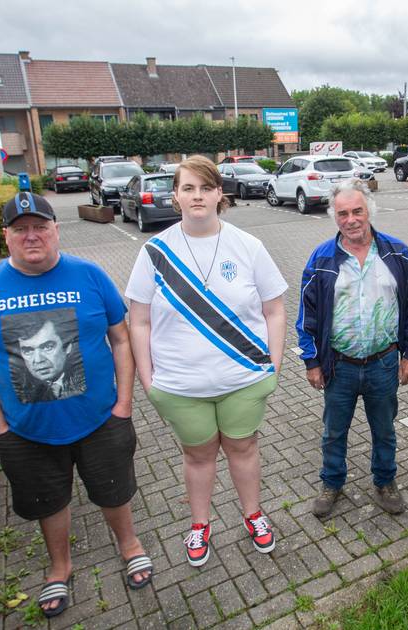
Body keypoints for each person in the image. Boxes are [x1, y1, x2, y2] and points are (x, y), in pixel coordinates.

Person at [0, 191, 152, 619]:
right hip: (25, 431)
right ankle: (59, 567)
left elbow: (121, 339)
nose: (32, 236)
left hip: (100, 419)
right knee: (49, 502)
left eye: (40, 226)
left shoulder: (90, 276)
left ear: (55, 231)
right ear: (5, 236)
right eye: (20, 229)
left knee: (114, 491)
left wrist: (124, 404)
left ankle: (130, 545)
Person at [126, 155, 287, 568]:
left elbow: (275, 310)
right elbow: (139, 321)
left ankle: (253, 514)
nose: (197, 196)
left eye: (206, 187)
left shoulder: (248, 246)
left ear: (220, 194)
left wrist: (273, 367)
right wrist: (149, 381)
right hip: (181, 387)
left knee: (243, 448)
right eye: (188, 188)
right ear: (176, 196)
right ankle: (200, 524)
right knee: (198, 457)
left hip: (244, 380)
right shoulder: (155, 252)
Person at [297, 178, 408, 518]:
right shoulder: (322, 259)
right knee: (333, 431)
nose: (351, 219)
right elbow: (307, 315)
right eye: (343, 213)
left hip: (383, 363)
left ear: (369, 210)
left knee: (384, 429)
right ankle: (332, 483)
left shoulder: (398, 254)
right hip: (338, 366)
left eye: (357, 211)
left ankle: (385, 481)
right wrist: (312, 361)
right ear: (334, 216)